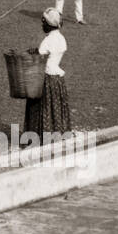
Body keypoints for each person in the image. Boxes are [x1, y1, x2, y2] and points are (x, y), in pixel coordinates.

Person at [25, 8, 72, 140]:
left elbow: (40, 57)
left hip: (45, 78)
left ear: (49, 24)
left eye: (43, 22)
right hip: (57, 78)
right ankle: (57, 134)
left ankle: (40, 136)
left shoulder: (47, 40)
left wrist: (32, 53)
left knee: (42, 107)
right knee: (55, 107)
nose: (42, 25)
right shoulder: (61, 38)